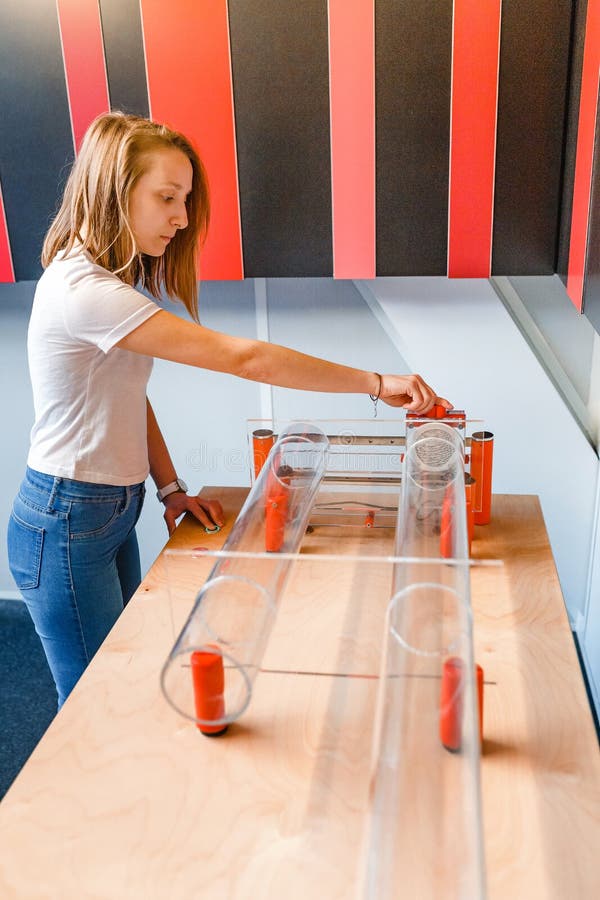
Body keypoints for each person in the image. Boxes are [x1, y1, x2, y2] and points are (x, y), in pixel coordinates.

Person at [7, 112, 452, 709]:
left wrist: (169, 489)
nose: (182, 218)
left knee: (121, 678)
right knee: (95, 705)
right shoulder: (83, 291)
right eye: (167, 197)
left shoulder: (110, 284)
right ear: (116, 191)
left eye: (185, 199)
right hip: (66, 516)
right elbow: (247, 359)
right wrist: (375, 382)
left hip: (106, 508)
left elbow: (128, 396)